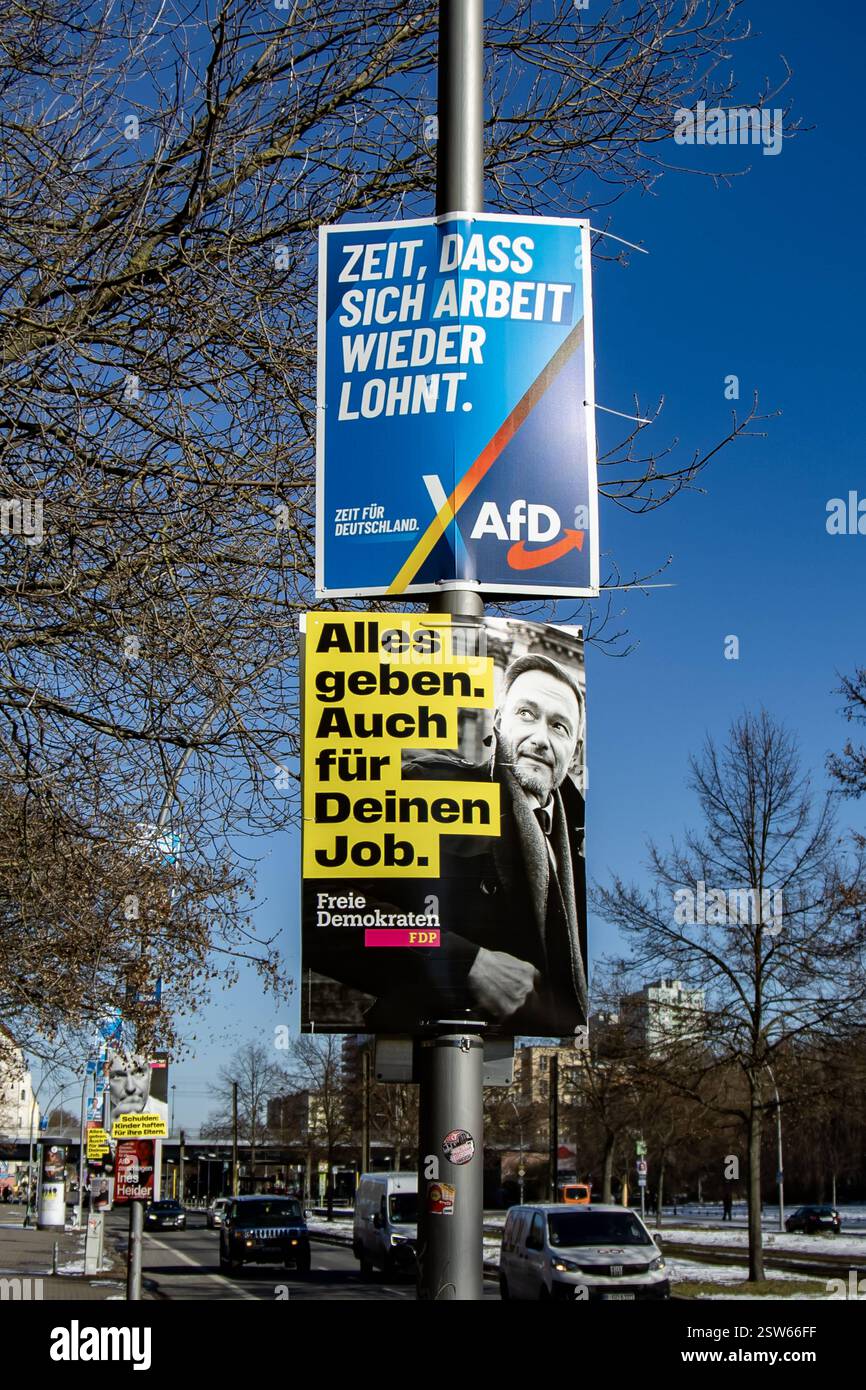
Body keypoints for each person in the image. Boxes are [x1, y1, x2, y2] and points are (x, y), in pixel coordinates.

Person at [305, 652, 588, 1035]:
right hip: (436, 1041)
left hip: (547, 1048)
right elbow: (322, 909)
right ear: (499, 721)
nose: (540, 739)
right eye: (526, 714)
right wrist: (461, 960)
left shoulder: (582, 843)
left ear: (576, 750)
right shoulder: (430, 789)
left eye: (558, 726)